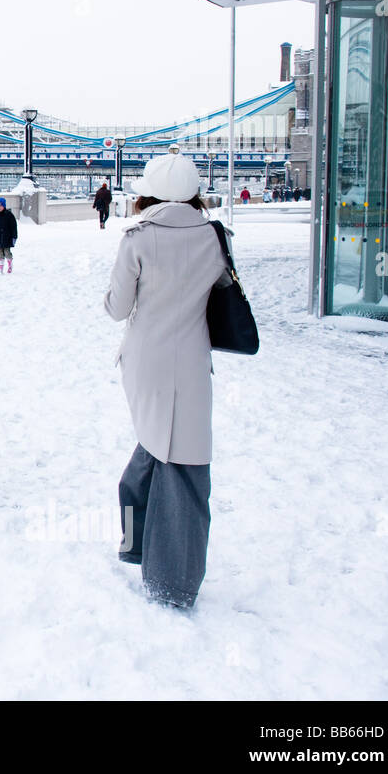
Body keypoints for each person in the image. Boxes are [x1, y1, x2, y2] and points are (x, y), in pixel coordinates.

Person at [103, 152, 230, 609]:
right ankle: (166, 572)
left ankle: (148, 555)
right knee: (185, 463)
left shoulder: (138, 238)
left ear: (147, 191)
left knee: (160, 449)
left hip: (145, 363)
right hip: (192, 362)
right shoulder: (214, 237)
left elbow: (117, 308)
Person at [0, 197, 18, 273]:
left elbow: (13, 227)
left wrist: (14, 237)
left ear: (4, 206)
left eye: (1, 206)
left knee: (7, 253)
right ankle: (0, 268)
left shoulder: (9, 215)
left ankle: (10, 265)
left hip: (7, 238)